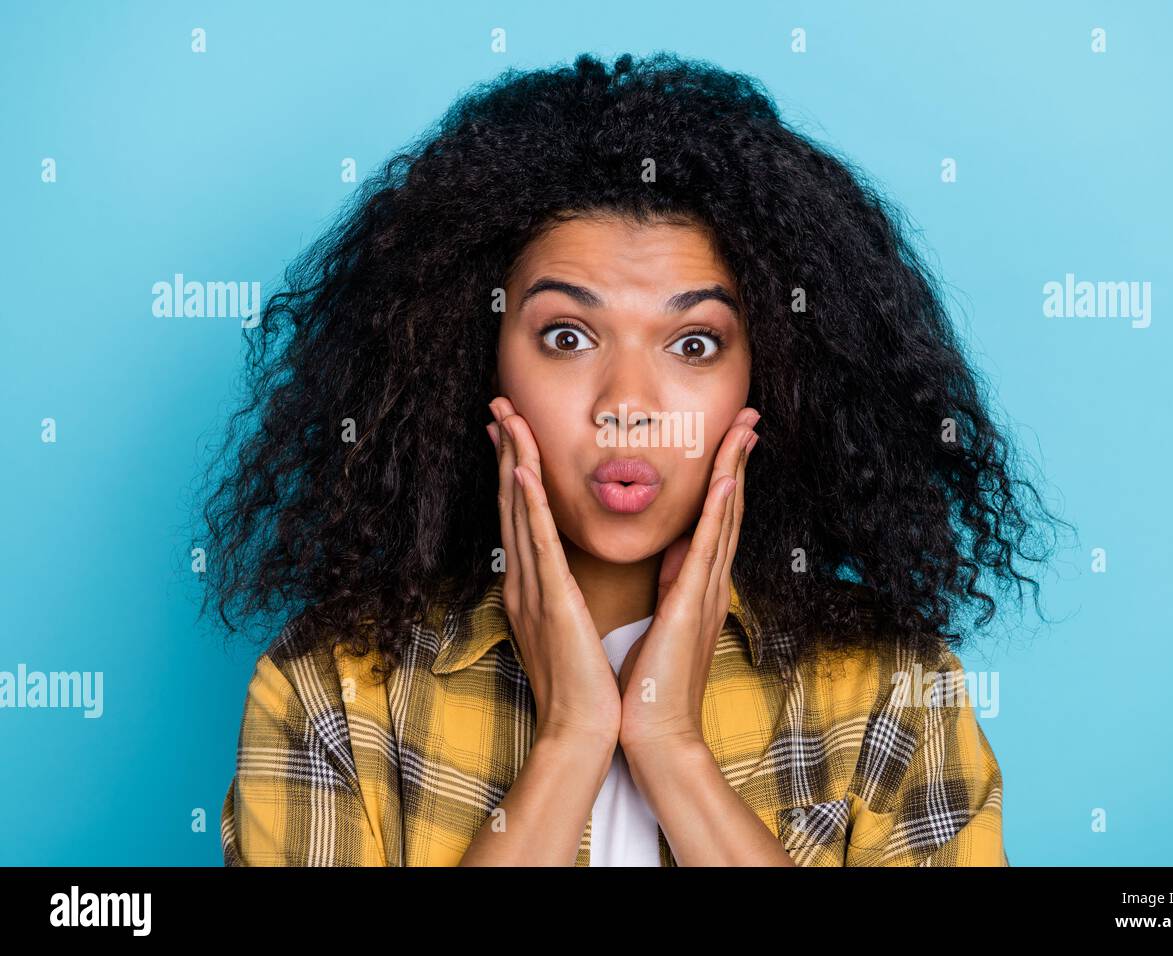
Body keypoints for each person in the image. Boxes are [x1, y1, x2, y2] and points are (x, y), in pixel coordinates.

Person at [205, 51, 1066, 866]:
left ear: (768, 376)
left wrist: (671, 746)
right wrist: (571, 737)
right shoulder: (335, 689)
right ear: (475, 359)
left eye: (693, 343)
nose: (627, 405)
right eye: (567, 336)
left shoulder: (890, 689)